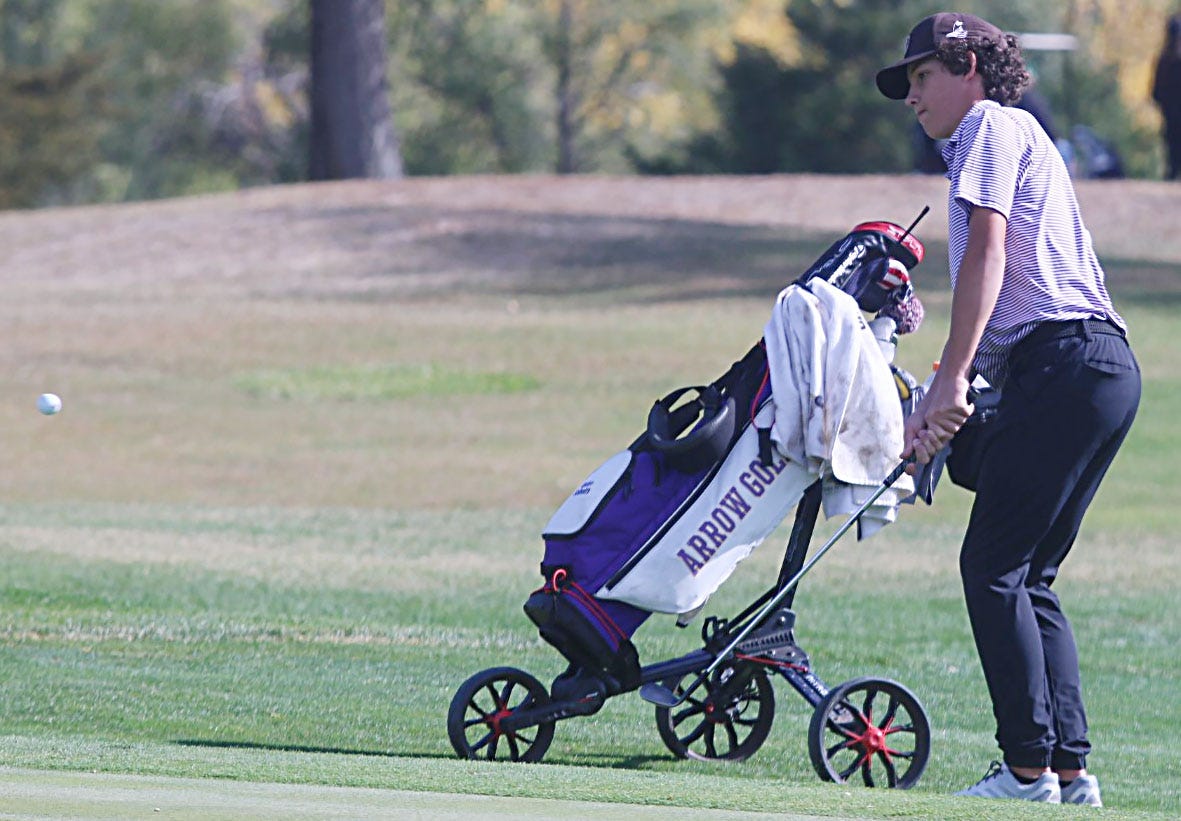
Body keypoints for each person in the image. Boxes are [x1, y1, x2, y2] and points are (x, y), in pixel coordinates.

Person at [875, 13, 1141, 805]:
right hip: (1091, 369)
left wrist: (951, 380)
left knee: (990, 568)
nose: (911, 98)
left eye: (921, 77)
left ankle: (1025, 770)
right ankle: (1066, 770)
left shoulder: (989, 125)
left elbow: (987, 253)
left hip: (1064, 363)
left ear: (967, 67)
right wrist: (944, 392)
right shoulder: (1003, 135)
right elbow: (1000, 294)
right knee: (1028, 573)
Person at [1152, 14, 1181, 179]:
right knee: (1172, 141)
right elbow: (1157, 87)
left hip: (1171, 109)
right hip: (1171, 110)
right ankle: (1173, 171)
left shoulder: (1165, 59)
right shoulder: (1165, 59)